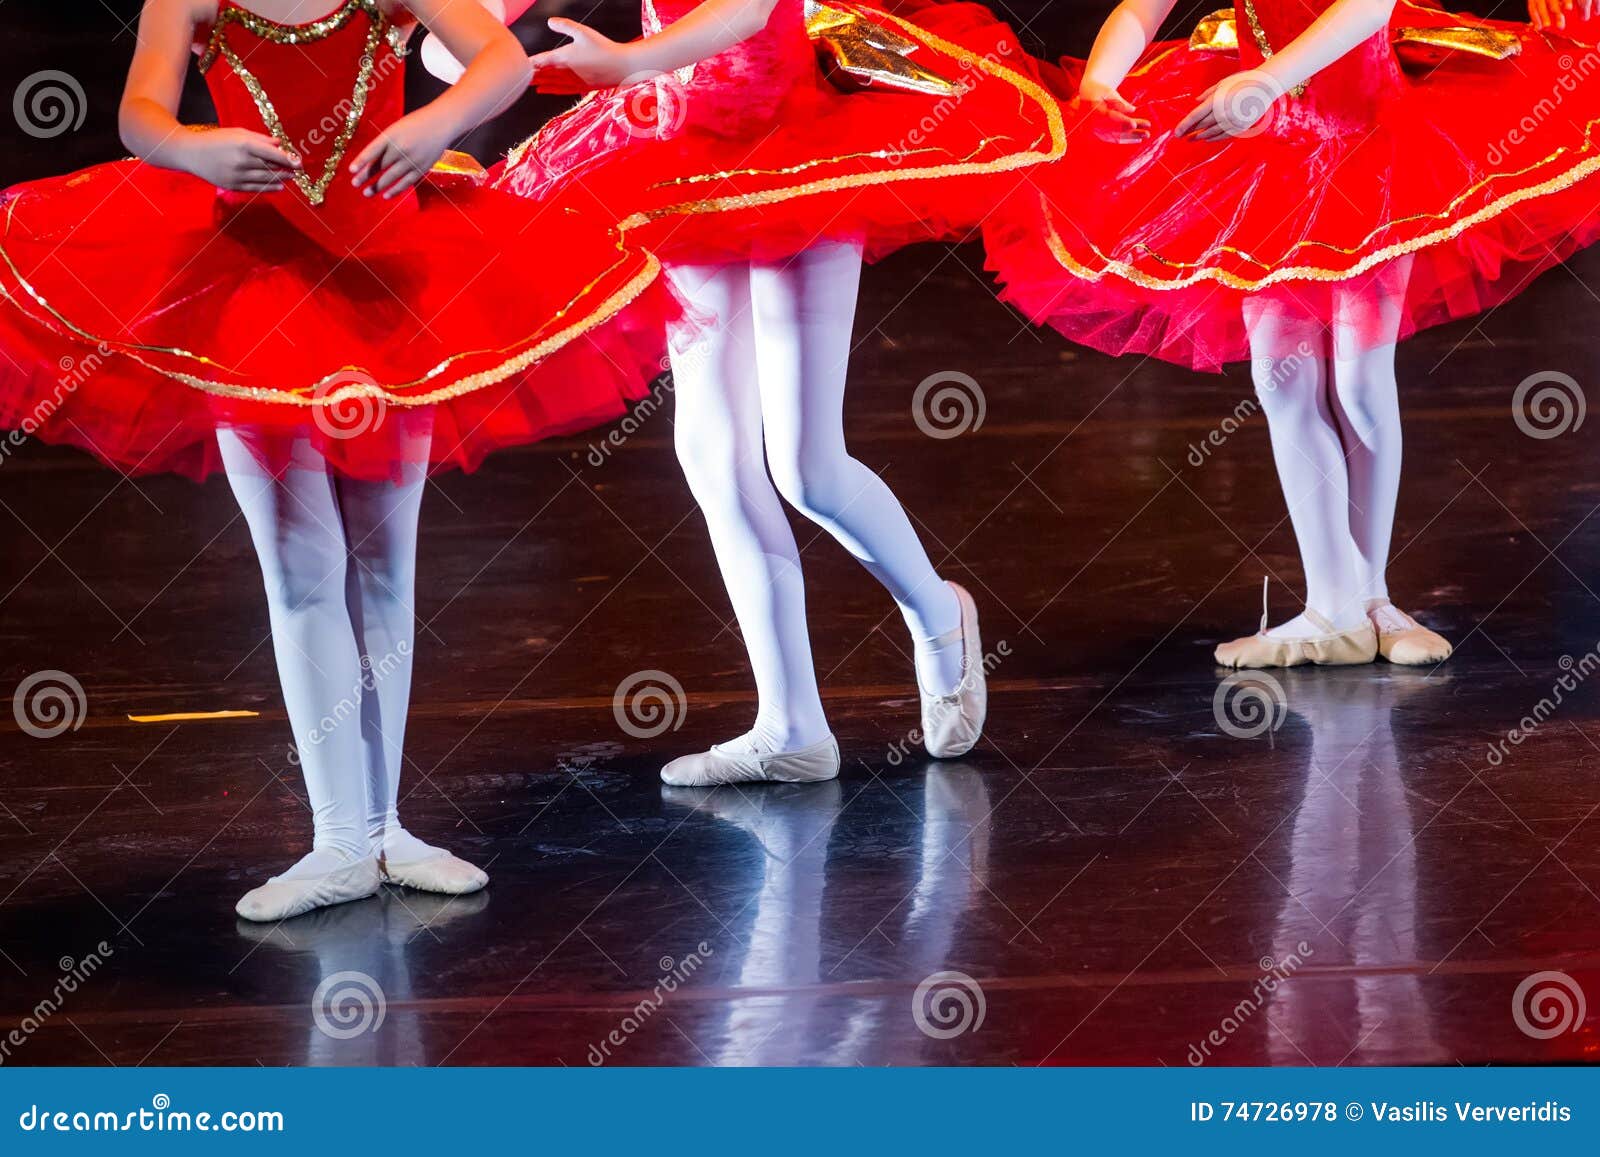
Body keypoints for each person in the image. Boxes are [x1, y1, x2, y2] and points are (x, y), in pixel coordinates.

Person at [0, 0, 679, 918]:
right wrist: (192, 149)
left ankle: (385, 826)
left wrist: (434, 124)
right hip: (247, 284)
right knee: (299, 570)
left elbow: (499, 60)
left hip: (390, 274)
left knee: (383, 565)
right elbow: (139, 114)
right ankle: (336, 838)